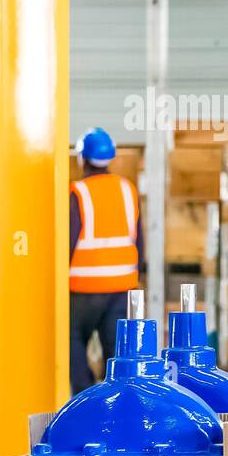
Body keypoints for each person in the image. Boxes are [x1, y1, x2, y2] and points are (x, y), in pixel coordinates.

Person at [69, 126, 144, 395]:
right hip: (121, 287)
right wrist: (138, 275)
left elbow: (70, 238)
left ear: (82, 158)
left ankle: (84, 395)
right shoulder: (127, 190)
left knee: (72, 341)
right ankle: (116, 400)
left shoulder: (79, 193)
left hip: (83, 289)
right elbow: (139, 239)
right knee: (116, 350)